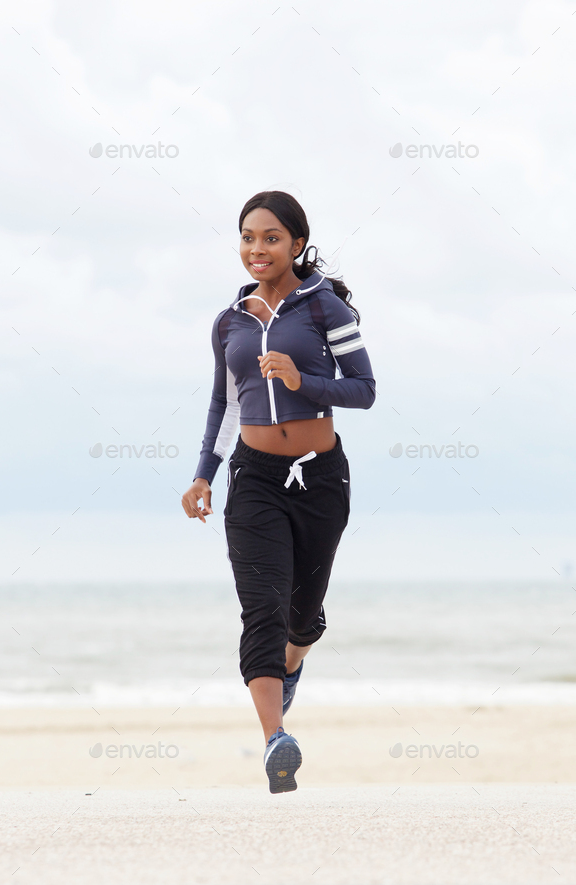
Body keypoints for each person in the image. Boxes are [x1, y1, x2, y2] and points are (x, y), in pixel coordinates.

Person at [182, 191, 376, 793]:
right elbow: (225, 402)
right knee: (261, 607)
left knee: (302, 615)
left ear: (296, 243)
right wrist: (203, 474)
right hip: (256, 479)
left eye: (270, 238)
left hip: (320, 477)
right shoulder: (230, 321)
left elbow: (364, 390)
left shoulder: (325, 312)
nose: (256, 249)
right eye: (247, 237)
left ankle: (292, 665)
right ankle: (276, 741)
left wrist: (304, 381)